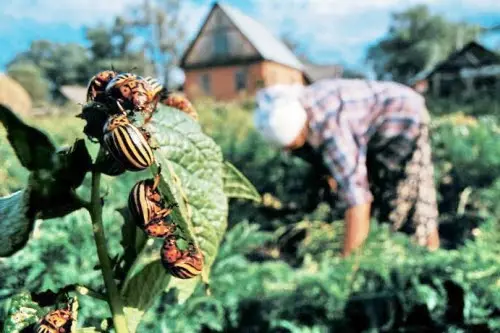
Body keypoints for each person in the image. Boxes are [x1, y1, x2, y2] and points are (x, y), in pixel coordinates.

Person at [253, 79, 440, 257]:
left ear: (303, 128)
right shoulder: (280, 106)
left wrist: (346, 267)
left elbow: (358, 198)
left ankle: (430, 257)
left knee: (405, 197)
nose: (295, 153)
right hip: (367, 124)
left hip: (404, 117)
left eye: (296, 146)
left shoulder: (332, 131)